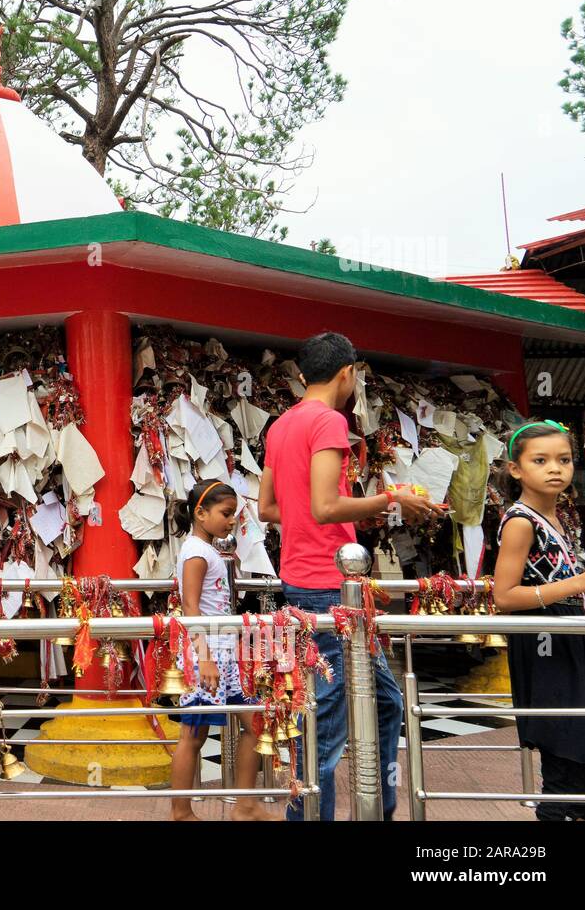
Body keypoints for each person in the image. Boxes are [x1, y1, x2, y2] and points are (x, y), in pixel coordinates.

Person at [259, 332, 442, 820]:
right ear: (348, 373)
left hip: (308, 579)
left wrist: (341, 514)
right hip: (326, 585)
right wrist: (393, 498)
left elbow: (268, 508)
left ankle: (379, 805)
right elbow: (325, 506)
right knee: (326, 723)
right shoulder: (329, 421)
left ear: (303, 376)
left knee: (384, 701)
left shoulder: (281, 425)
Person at [491, 419, 585, 820]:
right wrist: (578, 584)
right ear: (516, 469)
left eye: (565, 460)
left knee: (583, 753)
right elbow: (504, 596)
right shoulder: (521, 521)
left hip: (573, 642)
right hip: (546, 646)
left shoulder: (559, 518)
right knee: (565, 755)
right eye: (541, 460)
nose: (556, 468)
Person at [169, 479, 279, 821]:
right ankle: (181, 812)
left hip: (224, 653)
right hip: (208, 654)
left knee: (255, 725)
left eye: (233, 514)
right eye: (225, 513)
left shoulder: (206, 550)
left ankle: (244, 805)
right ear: (200, 514)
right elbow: (189, 608)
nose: (231, 521)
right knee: (193, 735)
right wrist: (204, 658)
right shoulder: (197, 553)